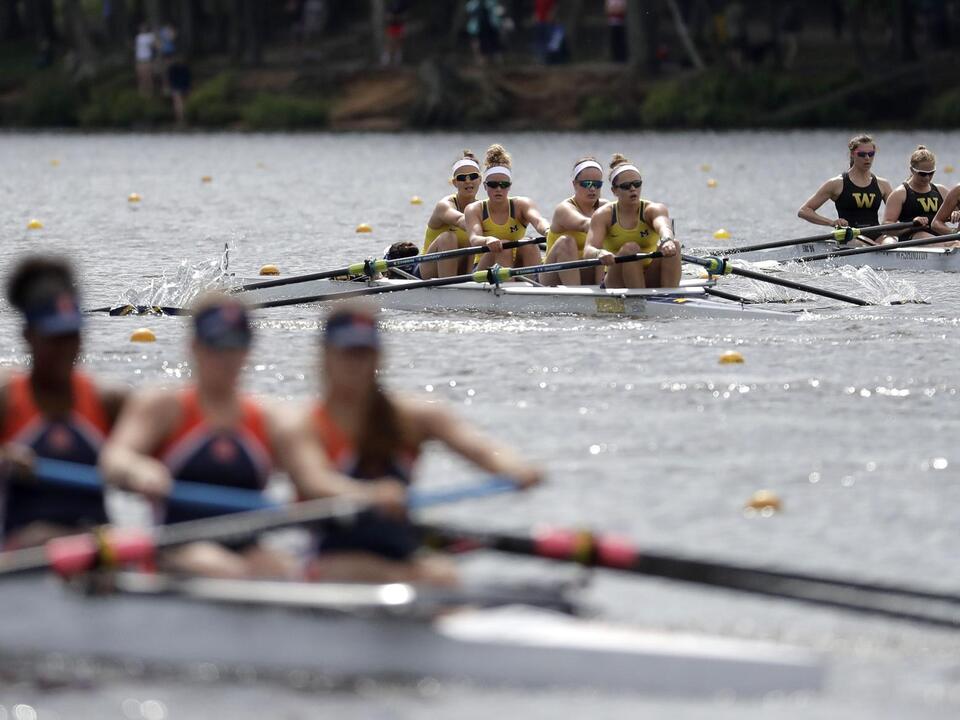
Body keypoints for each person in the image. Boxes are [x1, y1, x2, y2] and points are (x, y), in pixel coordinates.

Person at [99, 294, 404, 579]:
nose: (226, 357)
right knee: (221, 567)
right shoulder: (164, 407)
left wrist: (367, 495)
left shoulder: (268, 418)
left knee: (288, 570)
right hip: (178, 544)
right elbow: (115, 457)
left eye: (236, 343)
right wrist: (139, 470)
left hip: (249, 547)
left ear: (248, 348)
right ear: (194, 346)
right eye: (216, 344)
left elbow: (312, 480)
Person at [299, 303, 542, 585]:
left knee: (442, 575)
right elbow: (313, 480)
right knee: (358, 571)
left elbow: (480, 448)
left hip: (400, 555)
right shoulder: (302, 424)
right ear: (325, 356)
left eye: (366, 353)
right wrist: (367, 494)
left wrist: (513, 468)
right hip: (330, 560)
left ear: (380, 357)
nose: (357, 363)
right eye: (348, 353)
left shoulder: (414, 418)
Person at [0, 256, 127, 549]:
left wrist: (133, 467)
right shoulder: (6, 401)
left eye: (72, 335)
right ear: (28, 336)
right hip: (23, 554)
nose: (66, 348)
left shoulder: (108, 401)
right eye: (55, 338)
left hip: (98, 552)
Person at [583, 154, 681, 289]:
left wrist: (667, 239)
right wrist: (599, 253)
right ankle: (640, 301)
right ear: (614, 191)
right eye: (626, 186)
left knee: (674, 244)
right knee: (630, 248)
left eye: (637, 184)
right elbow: (588, 250)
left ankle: (671, 297)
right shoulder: (604, 215)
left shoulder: (653, 209)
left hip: (649, 275)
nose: (633, 189)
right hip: (616, 279)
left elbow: (664, 226)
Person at [465, 144, 550, 274]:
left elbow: (538, 221)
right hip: (484, 267)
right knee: (503, 246)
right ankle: (509, 286)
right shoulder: (474, 209)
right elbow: (474, 238)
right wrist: (487, 240)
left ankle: (535, 286)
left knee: (529, 243)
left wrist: (548, 231)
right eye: (493, 185)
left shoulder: (522, 204)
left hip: (517, 264)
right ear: (485, 186)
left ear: (509, 186)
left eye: (504, 185)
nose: (498, 189)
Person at [797, 133, 893, 243]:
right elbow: (804, 211)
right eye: (862, 154)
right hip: (849, 236)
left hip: (877, 235)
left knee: (892, 242)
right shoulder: (837, 183)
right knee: (865, 244)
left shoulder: (883, 184)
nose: (867, 158)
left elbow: (900, 213)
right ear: (852, 154)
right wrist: (831, 222)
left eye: (871, 154)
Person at [541, 157, 608, 286]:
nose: (593, 189)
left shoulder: (605, 207)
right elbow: (584, 224)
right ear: (574, 184)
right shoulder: (564, 209)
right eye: (587, 184)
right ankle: (576, 296)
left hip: (588, 271)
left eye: (597, 184)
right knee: (567, 242)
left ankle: (601, 289)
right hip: (553, 276)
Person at [420, 151, 482, 279]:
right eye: (462, 178)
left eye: (473, 176)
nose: (468, 181)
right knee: (449, 237)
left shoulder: (482, 207)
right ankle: (449, 289)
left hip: (462, 267)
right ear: (454, 182)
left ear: (480, 180)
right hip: (428, 269)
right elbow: (461, 220)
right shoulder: (445, 205)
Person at [880, 145, 951, 245]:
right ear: (912, 170)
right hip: (913, 238)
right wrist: (912, 225)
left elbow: (957, 210)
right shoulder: (900, 194)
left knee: (955, 243)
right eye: (922, 174)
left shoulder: (941, 191)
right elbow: (886, 227)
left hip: (939, 237)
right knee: (931, 238)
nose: (927, 178)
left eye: (931, 173)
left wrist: (956, 213)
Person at [167, 54, 191, 126]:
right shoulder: (173, 68)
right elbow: (170, 79)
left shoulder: (184, 68)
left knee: (181, 103)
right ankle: (180, 118)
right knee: (179, 103)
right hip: (177, 87)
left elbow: (188, 79)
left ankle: (182, 118)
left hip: (182, 87)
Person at [134, 23, 156, 97]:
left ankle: (150, 94)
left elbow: (155, 45)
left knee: (148, 77)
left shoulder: (150, 36)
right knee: (140, 77)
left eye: (144, 27)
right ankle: (142, 95)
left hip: (147, 60)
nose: (142, 28)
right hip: (140, 60)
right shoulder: (138, 37)